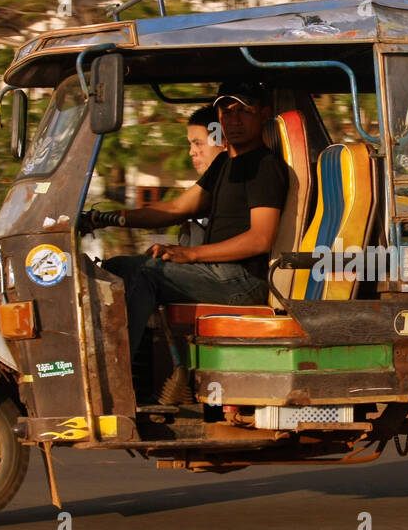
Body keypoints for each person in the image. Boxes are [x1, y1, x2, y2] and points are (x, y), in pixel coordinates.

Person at [80, 82, 289, 367]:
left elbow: (260, 238)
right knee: (115, 268)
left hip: (242, 281)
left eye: (243, 111)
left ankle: (113, 375)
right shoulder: (225, 164)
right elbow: (176, 208)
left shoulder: (263, 166)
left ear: (264, 114)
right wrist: (102, 218)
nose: (234, 120)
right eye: (226, 112)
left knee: (143, 274)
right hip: (217, 274)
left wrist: (190, 254)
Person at [180, 105, 225, 248]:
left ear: (223, 142)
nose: (191, 152)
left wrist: (120, 218)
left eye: (198, 143)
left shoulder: (224, 174)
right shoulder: (216, 177)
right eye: (190, 144)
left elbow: (175, 209)